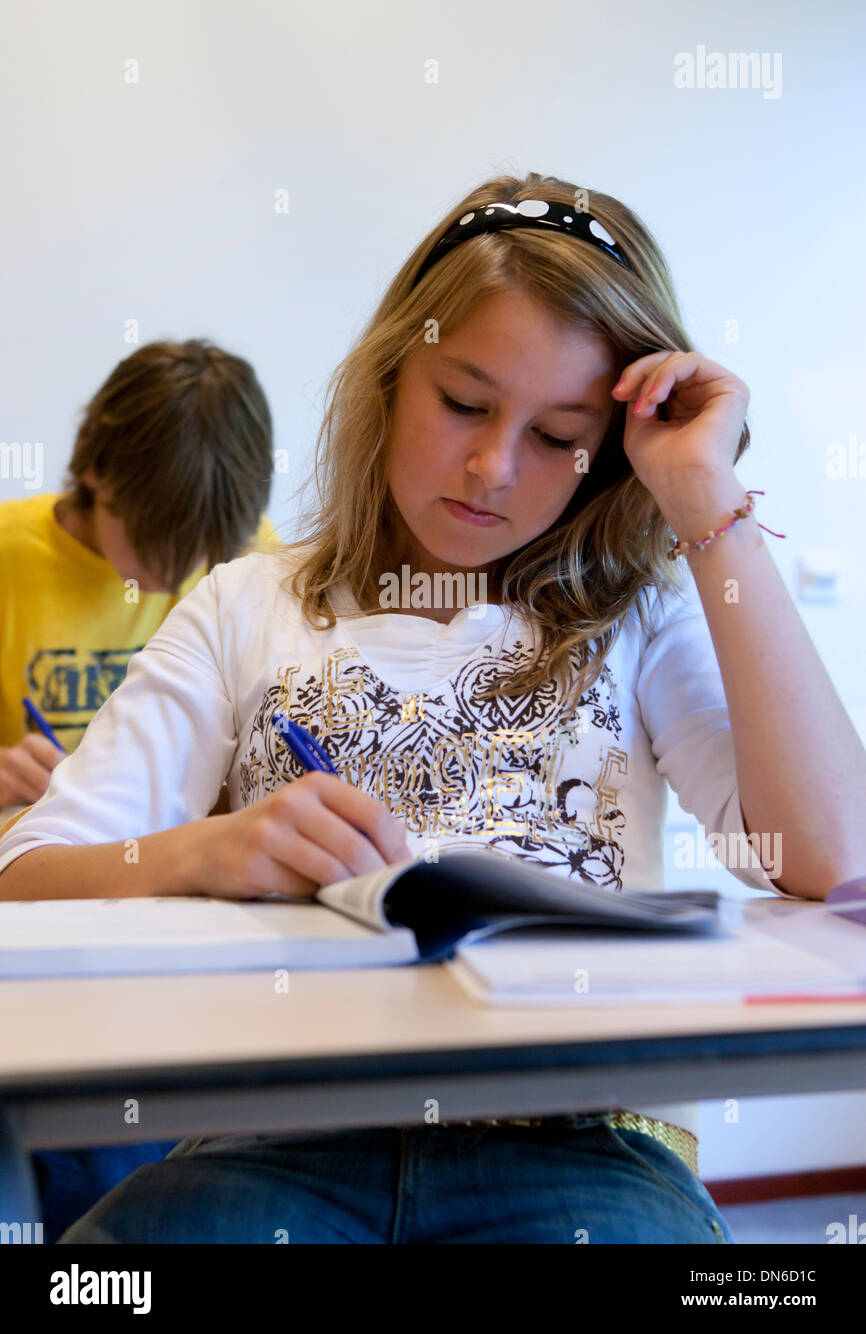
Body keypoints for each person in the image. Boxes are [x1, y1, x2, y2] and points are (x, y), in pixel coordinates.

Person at [1, 174, 863, 1244]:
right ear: (389, 378)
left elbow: (833, 857)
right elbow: (24, 882)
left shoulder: (640, 619)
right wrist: (204, 851)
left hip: (576, 1145)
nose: (490, 467)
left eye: (557, 436)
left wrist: (703, 502)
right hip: (273, 1136)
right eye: (462, 402)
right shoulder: (246, 605)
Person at [0, 335, 279, 1241]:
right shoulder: (10, 558)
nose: (165, 579)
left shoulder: (247, 565)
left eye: (192, 556)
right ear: (94, 473)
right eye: (149, 550)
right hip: (47, 927)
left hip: (190, 942)